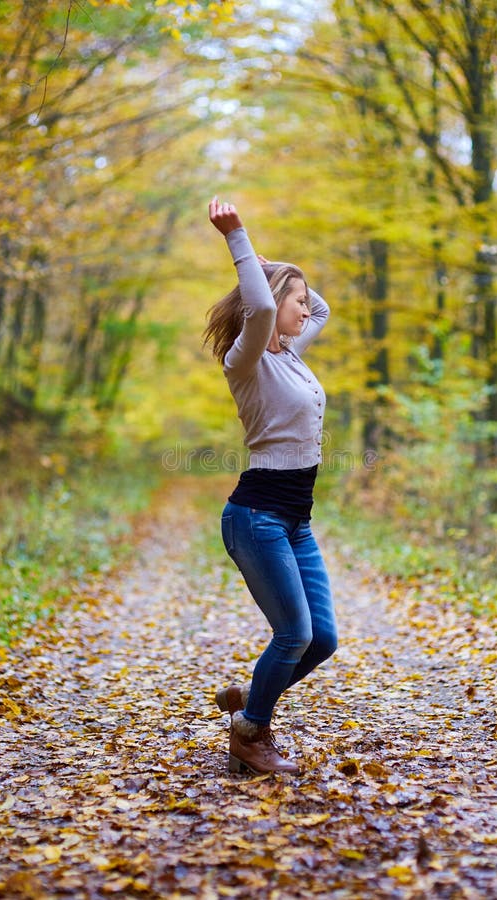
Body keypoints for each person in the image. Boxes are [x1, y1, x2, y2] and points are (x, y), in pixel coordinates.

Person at [204, 196, 337, 775]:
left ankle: (249, 700)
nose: (307, 309)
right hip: (256, 514)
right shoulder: (249, 358)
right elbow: (258, 304)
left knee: (322, 639)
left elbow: (326, 310)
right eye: (296, 301)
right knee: (293, 633)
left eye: (303, 300)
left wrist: (280, 269)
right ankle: (250, 732)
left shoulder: (290, 353)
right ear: (273, 304)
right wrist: (240, 245)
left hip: (294, 519)